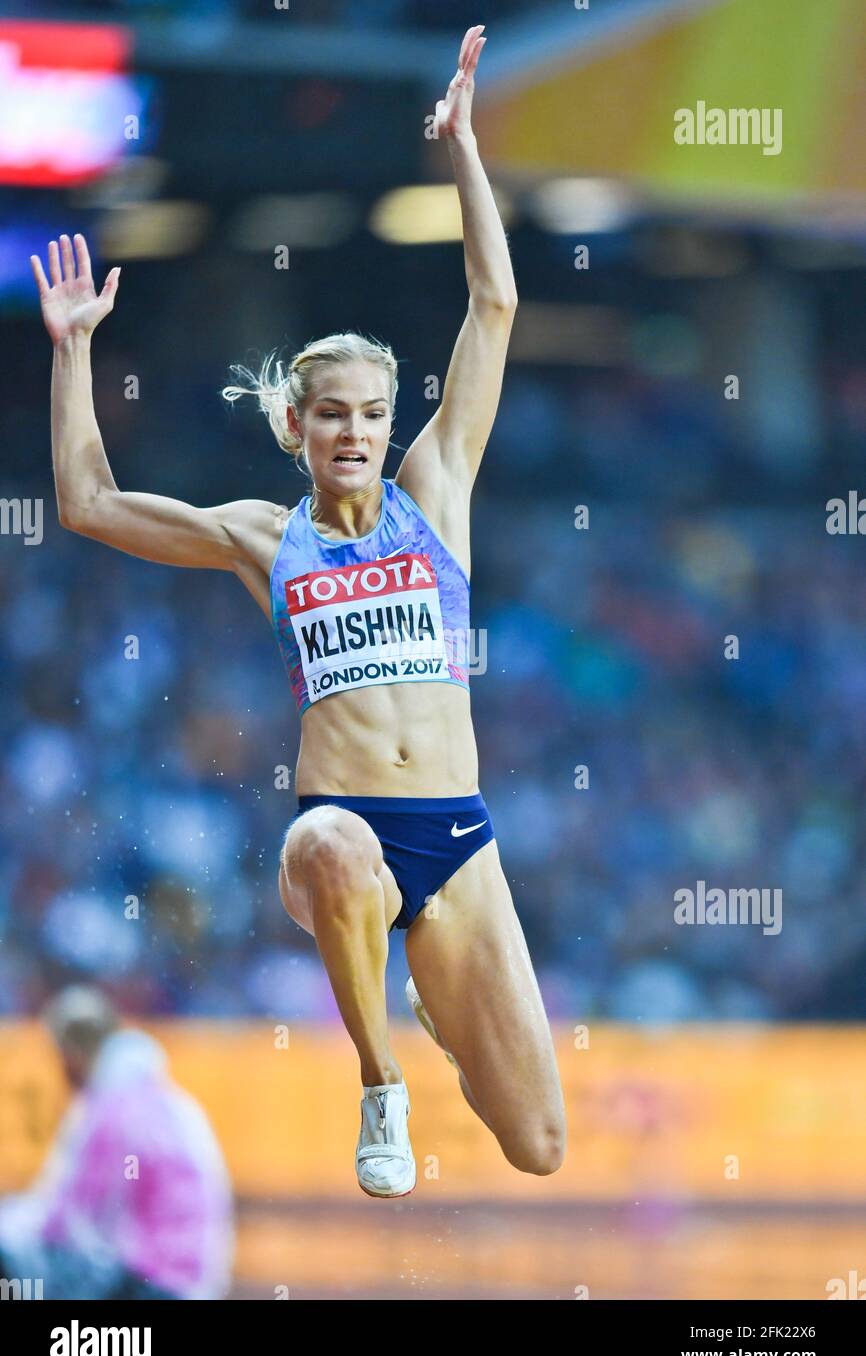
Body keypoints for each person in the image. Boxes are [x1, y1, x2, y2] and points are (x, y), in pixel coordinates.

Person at [30, 24, 566, 1199]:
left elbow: (495, 300)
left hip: (457, 835)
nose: (357, 432)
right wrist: (71, 352)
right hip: (341, 832)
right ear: (298, 428)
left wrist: (464, 149)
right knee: (327, 842)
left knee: (536, 1142)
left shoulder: (436, 492)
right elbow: (86, 501)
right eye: (332, 414)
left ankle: (426, 998)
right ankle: (381, 1082)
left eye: (372, 411)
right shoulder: (262, 538)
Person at [0, 987, 234, 1298]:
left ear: (71, 1054)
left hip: (153, 1282)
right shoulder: (171, 1102)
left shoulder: (109, 1109)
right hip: (194, 1281)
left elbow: (65, 1216)